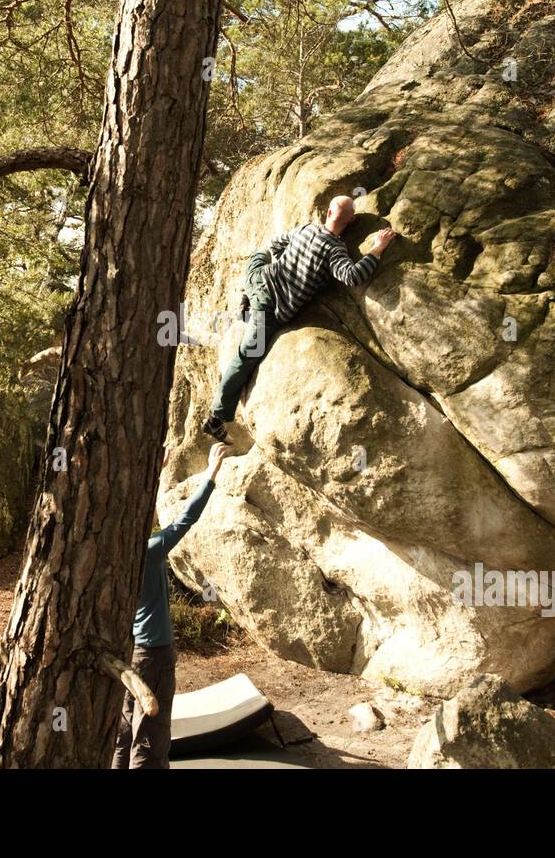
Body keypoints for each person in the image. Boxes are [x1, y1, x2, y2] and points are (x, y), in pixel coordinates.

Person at [201, 195, 396, 441]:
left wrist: (289, 263)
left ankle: (245, 299)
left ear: (327, 213)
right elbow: (353, 276)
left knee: (258, 256)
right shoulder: (334, 250)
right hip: (270, 306)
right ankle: (216, 418)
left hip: (259, 278)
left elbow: (276, 245)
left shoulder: (307, 228)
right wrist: (378, 247)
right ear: (352, 221)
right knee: (248, 354)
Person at [111, 442, 230, 769]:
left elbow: (137, 511)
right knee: (151, 735)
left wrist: (158, 470)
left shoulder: (116, 554)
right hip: (155, 653)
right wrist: (211, 473)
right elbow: (185, 519)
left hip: (130, 652)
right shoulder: (149, 551)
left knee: (125, 730)